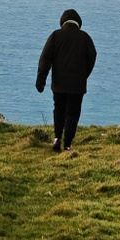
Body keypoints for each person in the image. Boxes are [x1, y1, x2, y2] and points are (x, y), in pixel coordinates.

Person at [36, 9, 97, 152]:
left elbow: (45, 58)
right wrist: (84, 74)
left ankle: (57, 137)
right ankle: (68, 144)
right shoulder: (85, 38)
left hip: (59, 83)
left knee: (59, 109)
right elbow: (92, 57)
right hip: (77, 84)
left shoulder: (56, 35)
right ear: (78, 23)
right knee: (73, 113)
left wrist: (41, 80)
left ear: (62, 22)